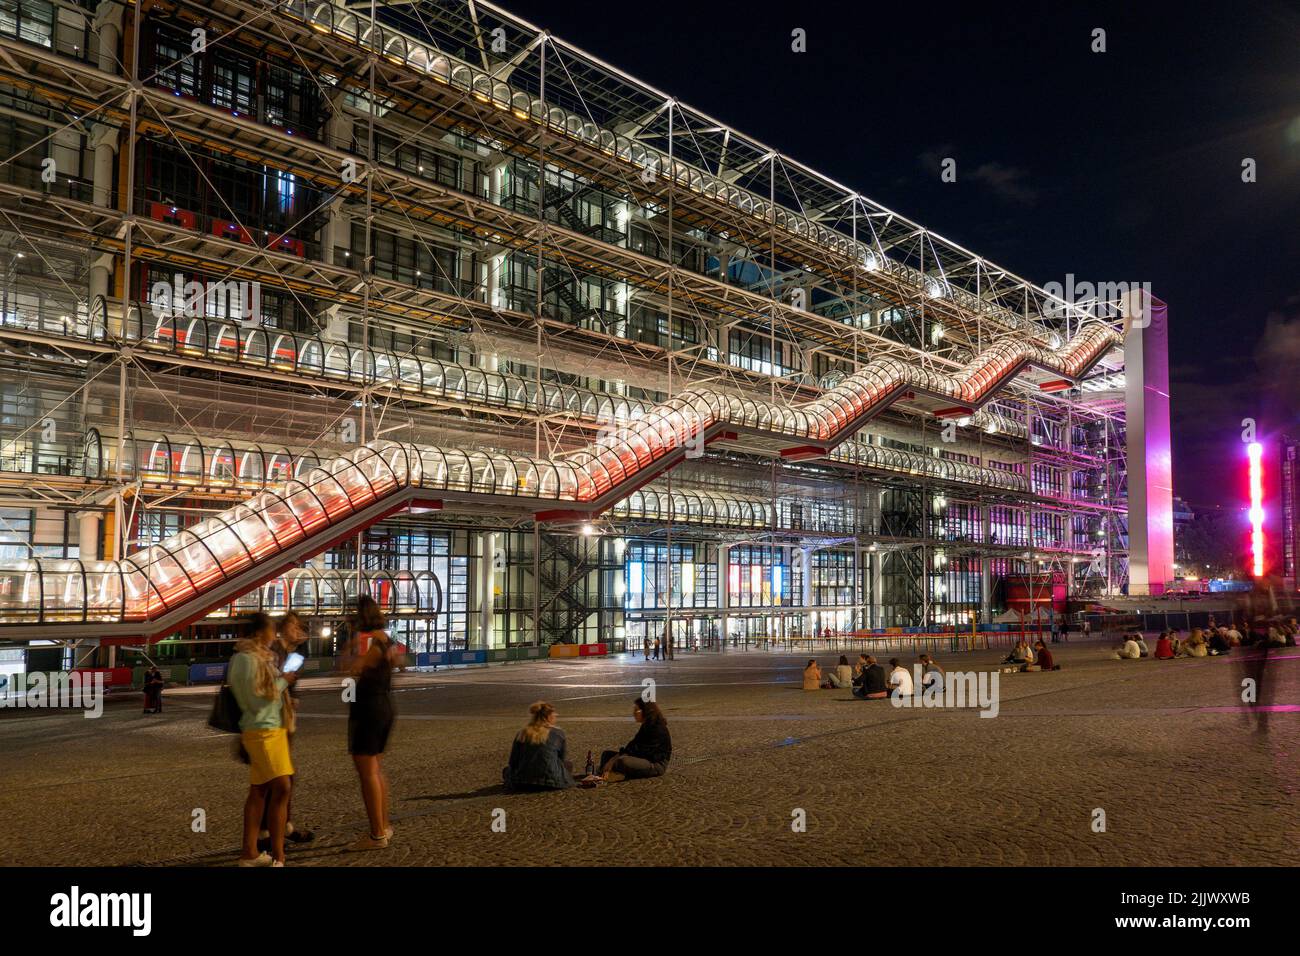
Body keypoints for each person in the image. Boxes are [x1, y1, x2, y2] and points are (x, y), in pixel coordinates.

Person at [229, 612, 297, 867]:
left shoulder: (259, 657)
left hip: (272, 729)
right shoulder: (245, 659)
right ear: (259, 633)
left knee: (259, 791)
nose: (274, 635)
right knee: (282, 787)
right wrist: (283, 683)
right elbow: (256, 699)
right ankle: (278, 855)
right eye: (271, 630)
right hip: (261, 731)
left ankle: (251, 853)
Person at [345, 595, 399, 851]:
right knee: (376, 770)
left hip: (367, 707)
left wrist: (349, 649)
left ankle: (376, 835)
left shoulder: (366, 640)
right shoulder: (387, 639)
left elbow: (352, 668)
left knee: (367, 773)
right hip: (385, 705)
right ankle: (384, 825)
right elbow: (401, 663)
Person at [257, 612, 314, 852]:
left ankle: (281, 826)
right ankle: (267, 832)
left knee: (285, 776)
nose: (296, 629)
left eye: (299, 626)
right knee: (274, 778)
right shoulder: (274, 650)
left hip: (284, 717)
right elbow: (271, 683)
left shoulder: (296, 652)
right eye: (293, 624)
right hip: (270, 719)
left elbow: (292, 681)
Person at [503, 701, 576, 791]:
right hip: (551, 781)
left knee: (506, 770)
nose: (556, 716)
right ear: (549, 716)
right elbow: (561, 758)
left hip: (522, 782)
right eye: (554, 714)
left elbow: (513, 761)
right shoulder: (558, 733)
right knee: (568, 765)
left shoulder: (522, 733)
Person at [597, 698, 671, 782]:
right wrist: (613, 759)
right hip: (642, 757)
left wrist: (615, 760)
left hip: (655, 764)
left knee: (622, 761)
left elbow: (640, 751)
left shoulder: (657, 728)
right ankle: (606, 772)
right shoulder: (646, 725)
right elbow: (633, 745)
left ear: (645, 711)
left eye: (637, 710)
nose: (634, 713)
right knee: (606, 755)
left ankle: (614, 773)